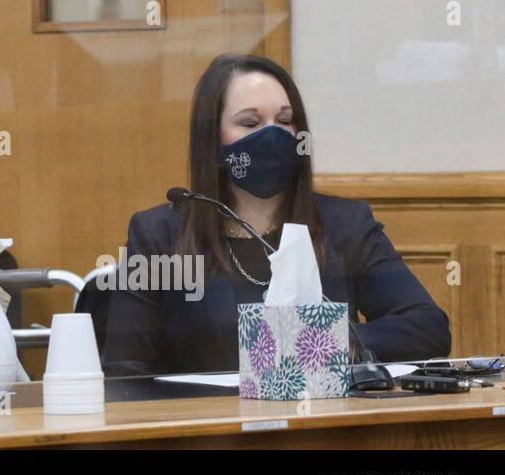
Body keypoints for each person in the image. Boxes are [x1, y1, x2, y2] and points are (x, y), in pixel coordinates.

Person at [102, 53, 451, 376]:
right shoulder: (158, 236)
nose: (271, 135)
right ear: (212, 140)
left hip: (324, 427)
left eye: (284, 121)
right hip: (211, 434)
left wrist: (330, 341)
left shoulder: (345, 224)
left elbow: (427, 327)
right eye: (250, 122)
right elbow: (124, 367)